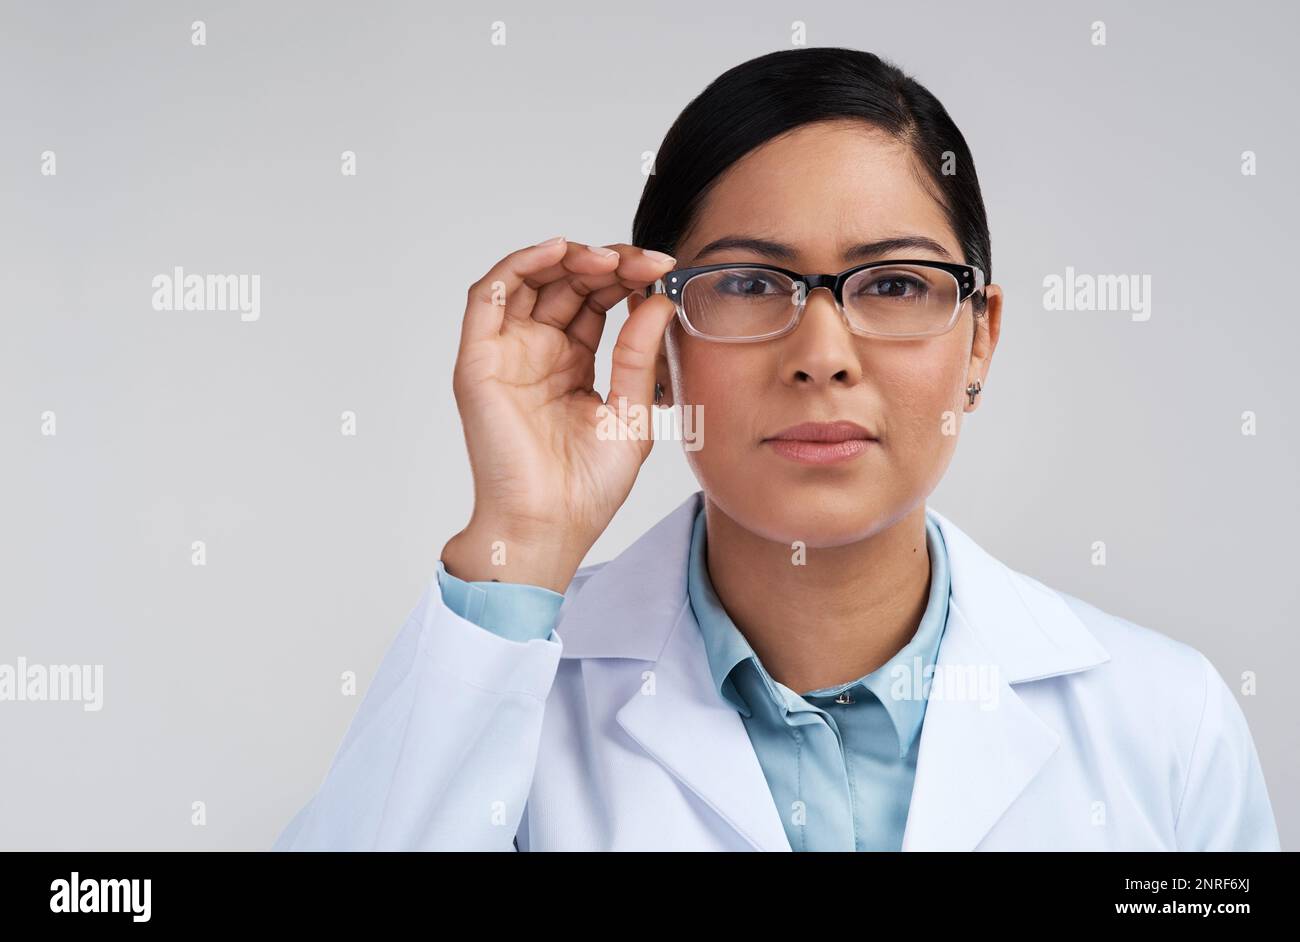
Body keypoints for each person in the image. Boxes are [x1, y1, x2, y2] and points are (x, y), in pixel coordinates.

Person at [273, 47, 1279, 851]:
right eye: (750, 285)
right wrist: (521, 539)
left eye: (894, 284)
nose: (822, 356)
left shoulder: (1165, 720)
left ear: (979, 340)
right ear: (658, 342)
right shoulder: (513, 690)